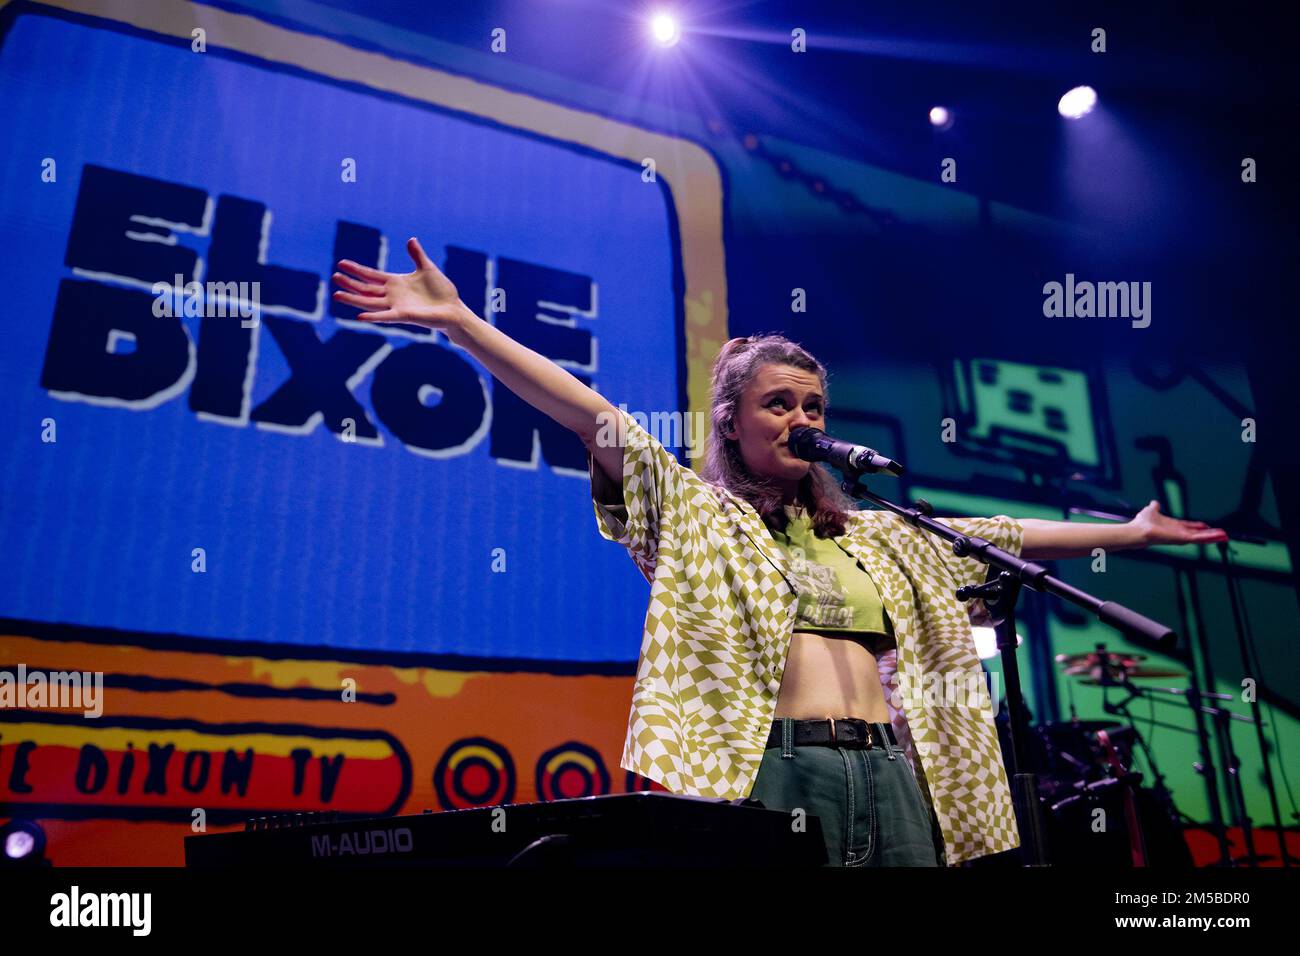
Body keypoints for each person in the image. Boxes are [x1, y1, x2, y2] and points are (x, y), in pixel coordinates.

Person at [332, 238, 1228, 867]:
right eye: (778, 404)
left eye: (814, 406)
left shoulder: (876, 532)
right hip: (772, 771)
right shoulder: (696, 517)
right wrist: (462, 324)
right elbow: (588, 413)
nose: (803, 419)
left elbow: (1001, 536)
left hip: (892, 769)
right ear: (731, 420)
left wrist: (1130, 532)